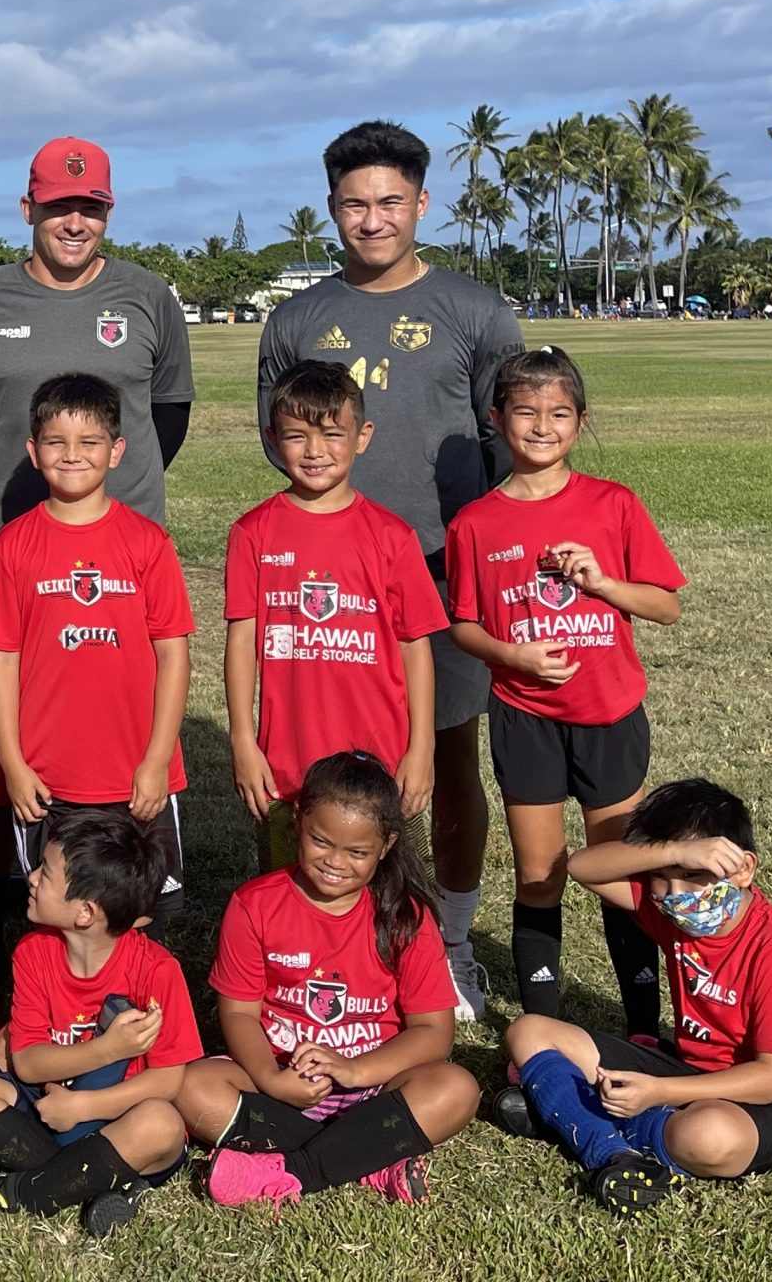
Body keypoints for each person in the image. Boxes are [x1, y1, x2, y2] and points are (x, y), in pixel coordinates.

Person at [256, 119, 525, 1018]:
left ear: (421, 202)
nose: (372, 220)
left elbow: (510, 437)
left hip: (441, 570)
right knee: (316, 761)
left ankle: (448, 943)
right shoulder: (298, 318)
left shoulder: (475, 312)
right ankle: (306, 945)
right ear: (331, 208)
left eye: (389, 202)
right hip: (327, 574)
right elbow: (280, 437)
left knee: (445, 762)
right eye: (354, 204)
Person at [446, 345, 686, 1035]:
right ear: (497, 420)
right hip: (525, 719)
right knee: (539, 872)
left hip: (608, 714)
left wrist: (604, 582)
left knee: (621, 873)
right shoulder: (476, 523)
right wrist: (510, 653)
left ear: (580, 423)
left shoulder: (612, 505)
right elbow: (463, 624)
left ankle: (642, 1026)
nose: (542, 426)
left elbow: (666, 605)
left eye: (558, 413)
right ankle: (543, 1031)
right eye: (525, 412)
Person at [495, 778, 772, 1214]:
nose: (677, 896)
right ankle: (609, 1146)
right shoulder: (675, 916)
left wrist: (657, 1091)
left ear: (743, 869)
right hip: (687, 1072)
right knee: (528, 1031)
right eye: (662, 878)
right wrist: (676, 854)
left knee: (710, 1137)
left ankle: (579, 1120)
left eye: (695, 877)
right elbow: (582, 866)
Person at [183, 750, 478, 1207]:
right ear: (298, 820)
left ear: (387, 845)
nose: (335, 861)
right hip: (282, 1082)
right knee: (190, 1087)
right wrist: (270, 1077)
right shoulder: (253, 904)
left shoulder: (406, 917)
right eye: (322, 841)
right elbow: (239, 1012)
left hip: (376, 1085)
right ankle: (368, 1157)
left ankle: (287, 1171)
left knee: (457, 1090)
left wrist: (355, 1070)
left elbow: (434, 1033)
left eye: (358, 852)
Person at [0, 811, 198, 1240]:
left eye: (45, 872)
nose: (30, 877)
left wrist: (83, 1108)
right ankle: (86, 1182)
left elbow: (168, 1080)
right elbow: (26, 1063)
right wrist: (106, 1050)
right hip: (43, 1102)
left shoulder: (157, 970)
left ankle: (4, 1195)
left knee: (163, 1125)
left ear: (85, 912)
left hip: (118, 1115)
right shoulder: (34, 952)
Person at [0, 373, 194, 918]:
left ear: (116, 451)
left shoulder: (147, 542)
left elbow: (173, 655)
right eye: (56, 442)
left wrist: (156, 760)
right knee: (53, 906)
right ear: (33, 451)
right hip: (48, 778)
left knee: (142, 911)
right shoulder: (12, 546)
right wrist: (12, 762)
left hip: (134, 773)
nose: (72, 455)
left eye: (89, 442)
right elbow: (0, 659)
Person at [221, 363, 442, 870]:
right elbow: (242, 640)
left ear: (362, 437)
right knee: (291, 895)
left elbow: (415, 644)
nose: (315, 451)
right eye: (297, 436)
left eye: (331, 435)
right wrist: (242, 740)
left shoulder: (392, 536)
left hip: (382, 764)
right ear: (272, 439)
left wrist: (421, 746)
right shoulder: (253, 532)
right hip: (287, 768)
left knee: (398, 903)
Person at [0, 137, 196, 536]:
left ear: (109, 212)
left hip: (126, 532)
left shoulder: (149, 295)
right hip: (9, 531)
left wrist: (105, 483)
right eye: (57, 207)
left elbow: (170, 412)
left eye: (91, 209)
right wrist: (15, 478)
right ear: (28, 209)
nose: (75, 224)